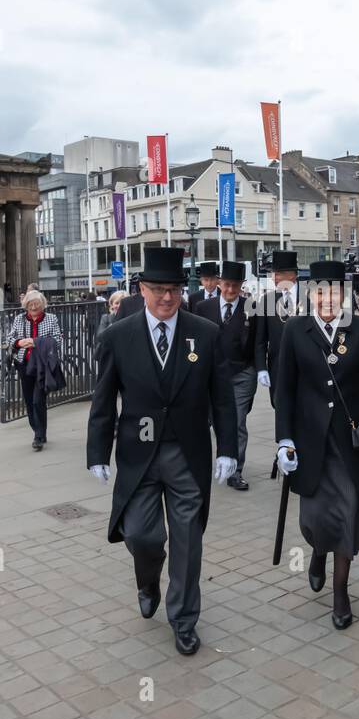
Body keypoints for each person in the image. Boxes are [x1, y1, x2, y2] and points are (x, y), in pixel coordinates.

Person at [86, 247, 239, 656]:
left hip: (187, 454)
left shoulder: (204, 333)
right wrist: (97, 452)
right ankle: (148, 579)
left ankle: (184, 619)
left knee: (188, 538)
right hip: (139, 455)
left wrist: (228, 449)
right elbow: (104, 400)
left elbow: (222, 397)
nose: (166, 298)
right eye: (157, 289)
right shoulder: (118, 336)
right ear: (142, 289)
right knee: (141, 535)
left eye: (173, 289)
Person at [274, 260, 359, 629]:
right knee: (313, 520)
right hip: (311, 441)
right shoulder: (296, 331)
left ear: (343, 295)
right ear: (311, 294)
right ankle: (317, 551)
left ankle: (341, 592)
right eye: (321, 291)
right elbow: (286, 391)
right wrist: (284, 439)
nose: (327, 299)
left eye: (334, 291)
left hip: (351, 441)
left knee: (349, 514)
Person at [193, 260, 257, 491]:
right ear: (219, 284)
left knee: (237, 421)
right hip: (210, 375)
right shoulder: (202, 307)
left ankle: (235, 470)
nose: (231, 290)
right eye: (227, 285)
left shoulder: (252, 306)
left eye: (236, 286)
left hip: (242, 373)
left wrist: (260, 370)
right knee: (207, 422)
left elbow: (258, 341)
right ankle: (209, 462)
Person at [3, 290, 62, 451]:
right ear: (26, 306)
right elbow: (9, 339)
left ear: (42, 305)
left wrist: (35, 341)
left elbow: (57, 341)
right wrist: (19, 342)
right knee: (29, 401)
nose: (34, 307)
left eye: (37, 304)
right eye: (30, 304)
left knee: (38, 400)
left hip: (42, 365)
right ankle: (38, 430)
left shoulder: (51, 319)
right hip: (24, 364)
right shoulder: (19, 319)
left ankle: (39, 436)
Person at [253, 250, 299, 407]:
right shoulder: (266, 301)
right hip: (278, 370)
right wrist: (261, 368)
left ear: (292, 275)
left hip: (308, 371)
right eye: (273, 274)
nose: (274, 278)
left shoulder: (310, 298)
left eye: (278, 273)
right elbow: (260, 339)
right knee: (281, 415)